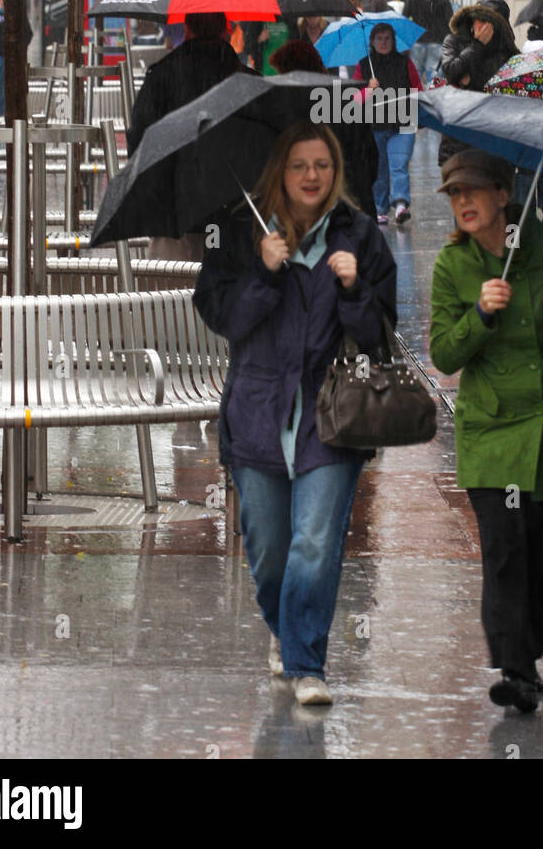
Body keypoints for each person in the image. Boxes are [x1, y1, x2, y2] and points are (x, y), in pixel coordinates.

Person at [193, 121, 396, 705]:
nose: (312, 176)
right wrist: (262, 270)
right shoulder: (237, 230)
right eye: (300, 166)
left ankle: (309, 664)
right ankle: (286, 630)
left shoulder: (359, 233)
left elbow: (382, 334)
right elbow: (223, 316)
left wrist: (356, 289)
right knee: (269, 548)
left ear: (336, 173)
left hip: (333, 415)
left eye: (323, 166)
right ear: (280, 171)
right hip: (257, 411)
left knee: (314, 541)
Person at [429, 150, 543, 712]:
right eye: (454, 194)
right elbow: (442, 352)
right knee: (504, 551)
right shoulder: (451, 267)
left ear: (502, 195)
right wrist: (479, 316)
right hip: (492, 433)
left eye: (473, 191)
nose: (463, 202)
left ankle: (527, 652)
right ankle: (515, 666)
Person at [126, 11, 253, 261]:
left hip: (173, 219)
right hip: (231, 221)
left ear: (186, 29)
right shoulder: (248, 83)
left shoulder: (160, 78)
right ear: (226, 31)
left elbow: (139, 145)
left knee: (166, 297)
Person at [268, 39, 380, 218]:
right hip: (355, 205)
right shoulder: (344, 99)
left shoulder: (281, 113)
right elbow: (370, 157)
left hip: (308, 212)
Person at [352, 23, 423, 225]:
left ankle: (400, 204)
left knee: (398, 165)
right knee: (379, 169)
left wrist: (413, 100)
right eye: (379, 39)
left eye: (387, 38)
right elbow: (354, 99)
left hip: (402, 123)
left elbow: (418, 88)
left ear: (393, 41)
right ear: (372, 42)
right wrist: (368, 89)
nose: (383, 43)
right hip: (374, 126)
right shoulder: (364, 65)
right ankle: (380, 208)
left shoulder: (404, 62)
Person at [438, 0, 518, 166]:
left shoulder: (506, 51)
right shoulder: (454, 41)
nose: (480, 25)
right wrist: (477, 46)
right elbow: (451, 71)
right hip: (460, 136)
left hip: (495, 136)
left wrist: (469, 78)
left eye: (486, 20)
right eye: (477, 19)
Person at [402, 0, 453, 84]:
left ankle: (416, 99)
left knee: (416, 74)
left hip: (417, 40)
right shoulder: (443, 0)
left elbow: (404, 19)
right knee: (433, 74)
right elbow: (451, 23)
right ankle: (431, 98)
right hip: (437, 41)